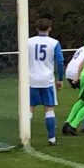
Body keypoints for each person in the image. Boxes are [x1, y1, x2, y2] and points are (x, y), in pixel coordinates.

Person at [26, 17, 65, 146]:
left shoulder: (28, 42)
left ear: (36, 28)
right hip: (47, 80)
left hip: (31, 79)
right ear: (50, 28)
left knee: (30, 108)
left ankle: (24, 136)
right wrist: (60, 79)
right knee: (49, 108)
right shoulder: (54, 43)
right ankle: (52, 139)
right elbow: (60, 61)